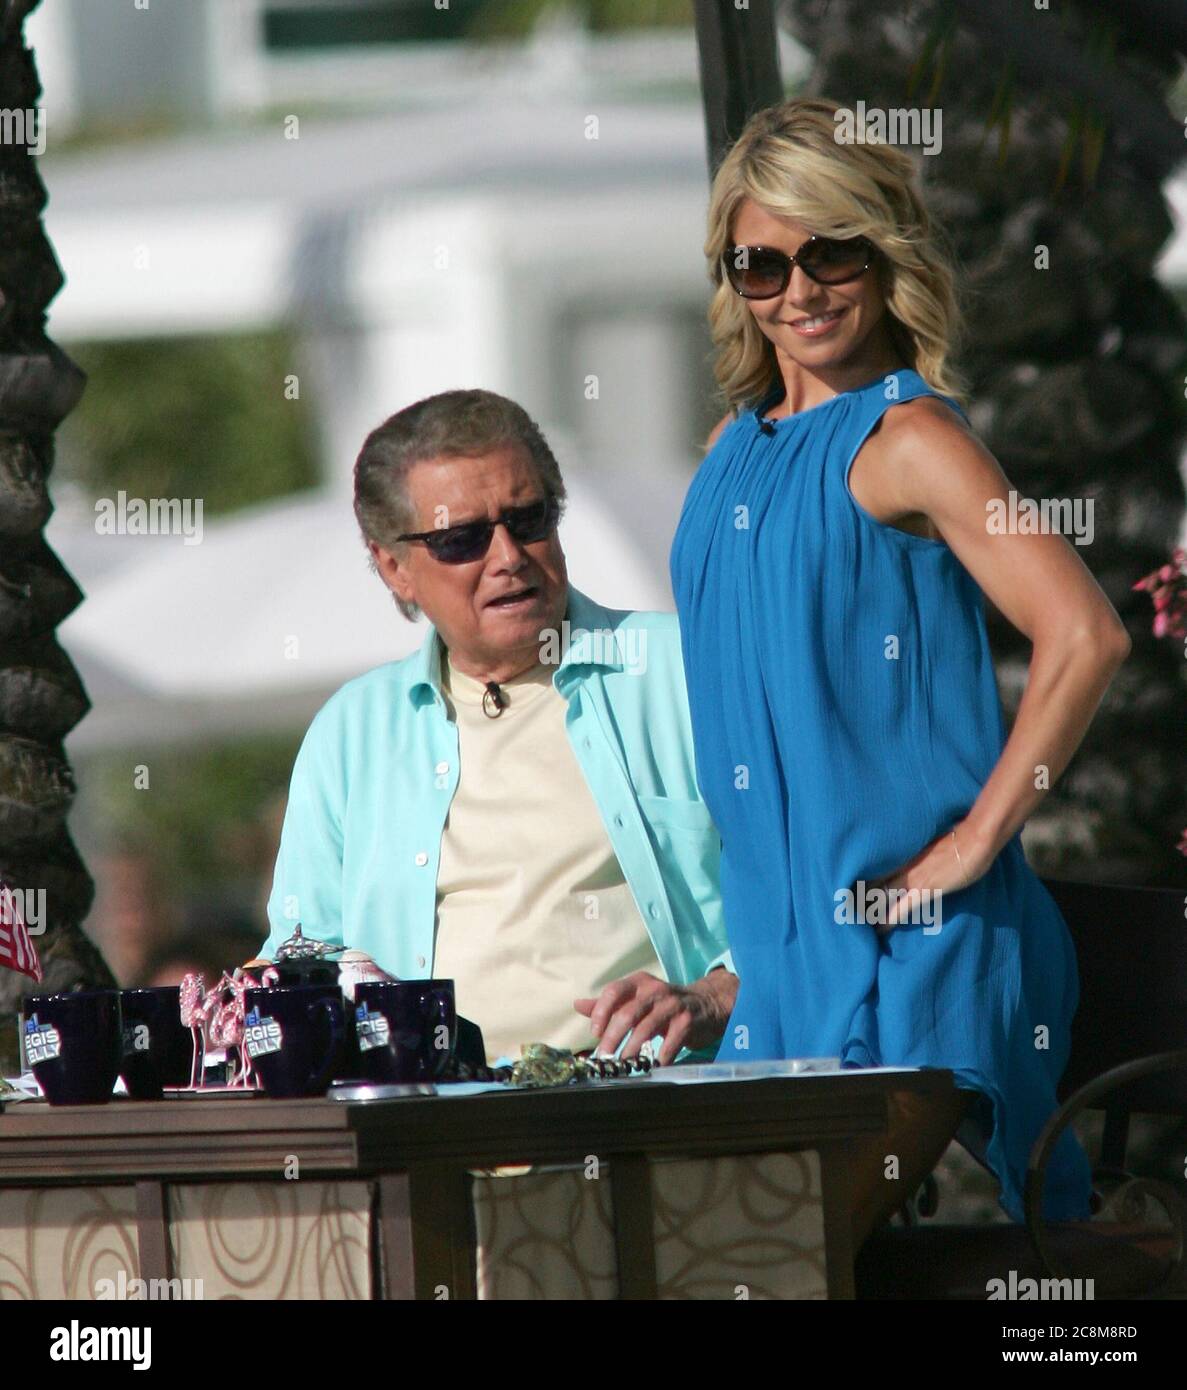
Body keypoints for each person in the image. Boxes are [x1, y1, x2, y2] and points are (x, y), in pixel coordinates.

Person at [670, 97, 1130, 1246]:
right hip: (781, 970)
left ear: (881, 254)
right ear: (732, 278)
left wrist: (975, 842)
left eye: (829, 252)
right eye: (761, 264)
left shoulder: (910, 438)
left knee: (786, 1253)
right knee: (735, 1252)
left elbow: (1086, 634)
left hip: (916, 958)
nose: (799, 288)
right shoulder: (732, 449)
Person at [258, 388, 736, 1066]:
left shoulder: (686, 671)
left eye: (529, 519)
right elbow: (299, 951)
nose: (508, 555)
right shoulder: (351, 731)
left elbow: (807, 881)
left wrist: (714, 995)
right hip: (433, 1135)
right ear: (394, 568)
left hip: (646, 1123)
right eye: (462, 539)